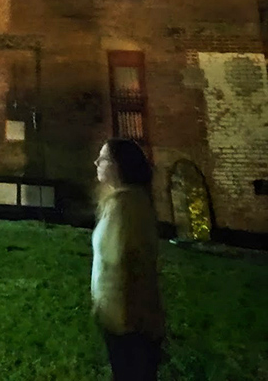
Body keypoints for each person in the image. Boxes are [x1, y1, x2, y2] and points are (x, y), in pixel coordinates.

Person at [91, 138, 165, 381]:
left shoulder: (126, 206)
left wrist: (122, 319)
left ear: (117, 166)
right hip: (122, 319)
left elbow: (126, 263)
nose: (96, 163)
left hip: (129, 323)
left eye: (103, 159)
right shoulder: (122, 202)